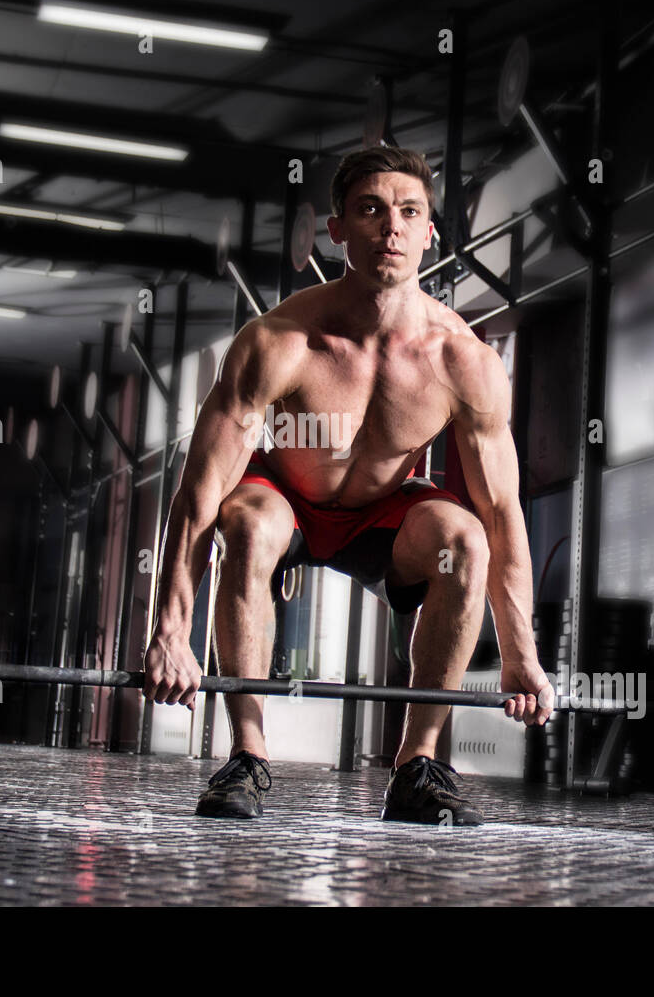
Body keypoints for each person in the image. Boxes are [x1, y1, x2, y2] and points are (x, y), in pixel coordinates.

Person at [142, 146, 553, 825]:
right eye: (370, 210)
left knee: (468, 541)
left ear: (429, 233)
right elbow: (196, 498)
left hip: (384, 515)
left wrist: (520, 655)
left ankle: (417, 764)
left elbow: (505, 514)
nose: (391, 226)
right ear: (336, 231)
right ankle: (247, 753)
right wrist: (170, 632)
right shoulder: (278, 342)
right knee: (243, 520)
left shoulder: (463, 360)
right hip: (287, 498)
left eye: (409, 212)